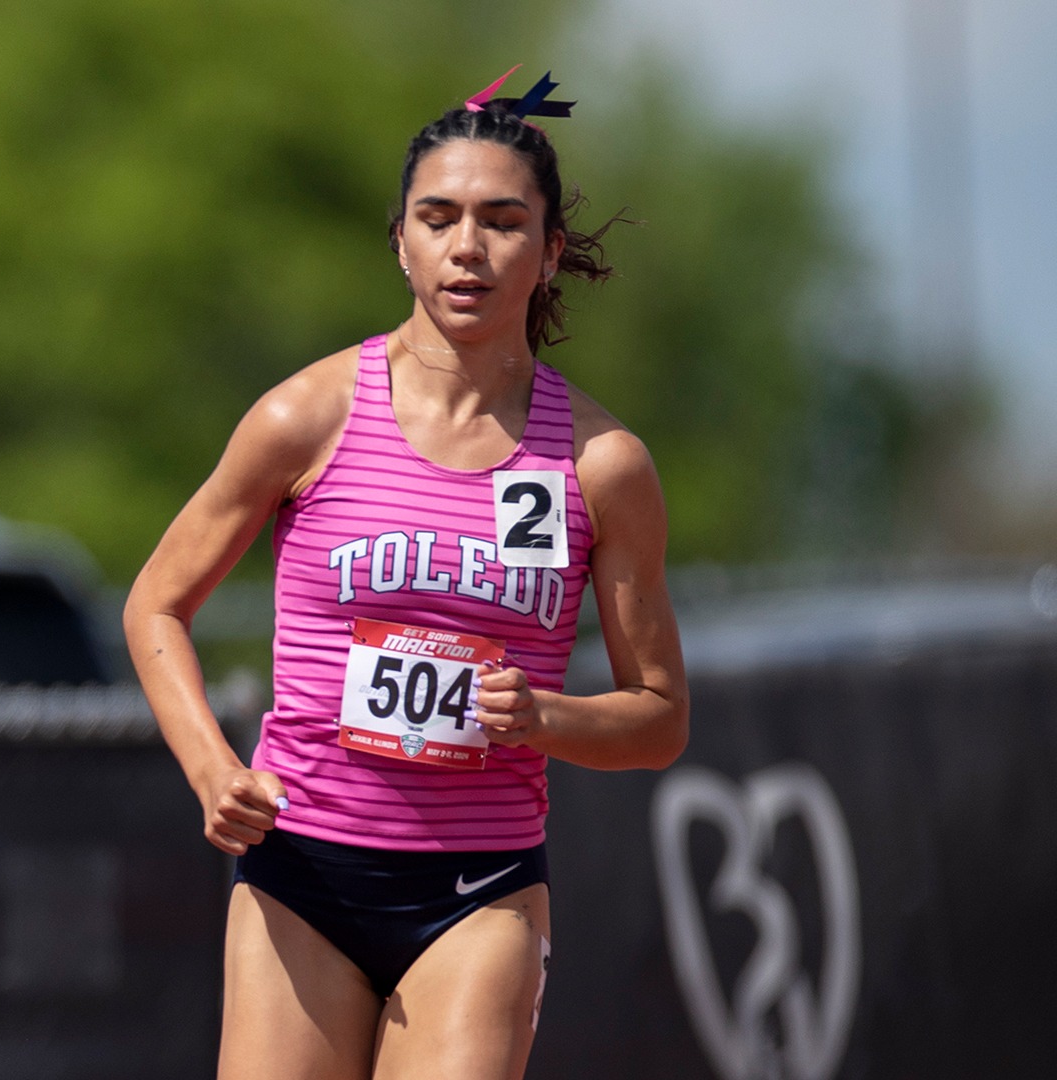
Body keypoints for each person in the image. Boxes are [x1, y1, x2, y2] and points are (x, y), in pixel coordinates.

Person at [123, 73, 688, 1080]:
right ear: (401, 241)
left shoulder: (601, 465)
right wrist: (212, 769)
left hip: (479, 893)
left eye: (502, 221)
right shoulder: (306, 416)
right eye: (439, 218)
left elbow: (660, 718)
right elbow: (156, 603)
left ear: (550, 251)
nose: (467, 246)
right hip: (302, 879)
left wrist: (544, 716)